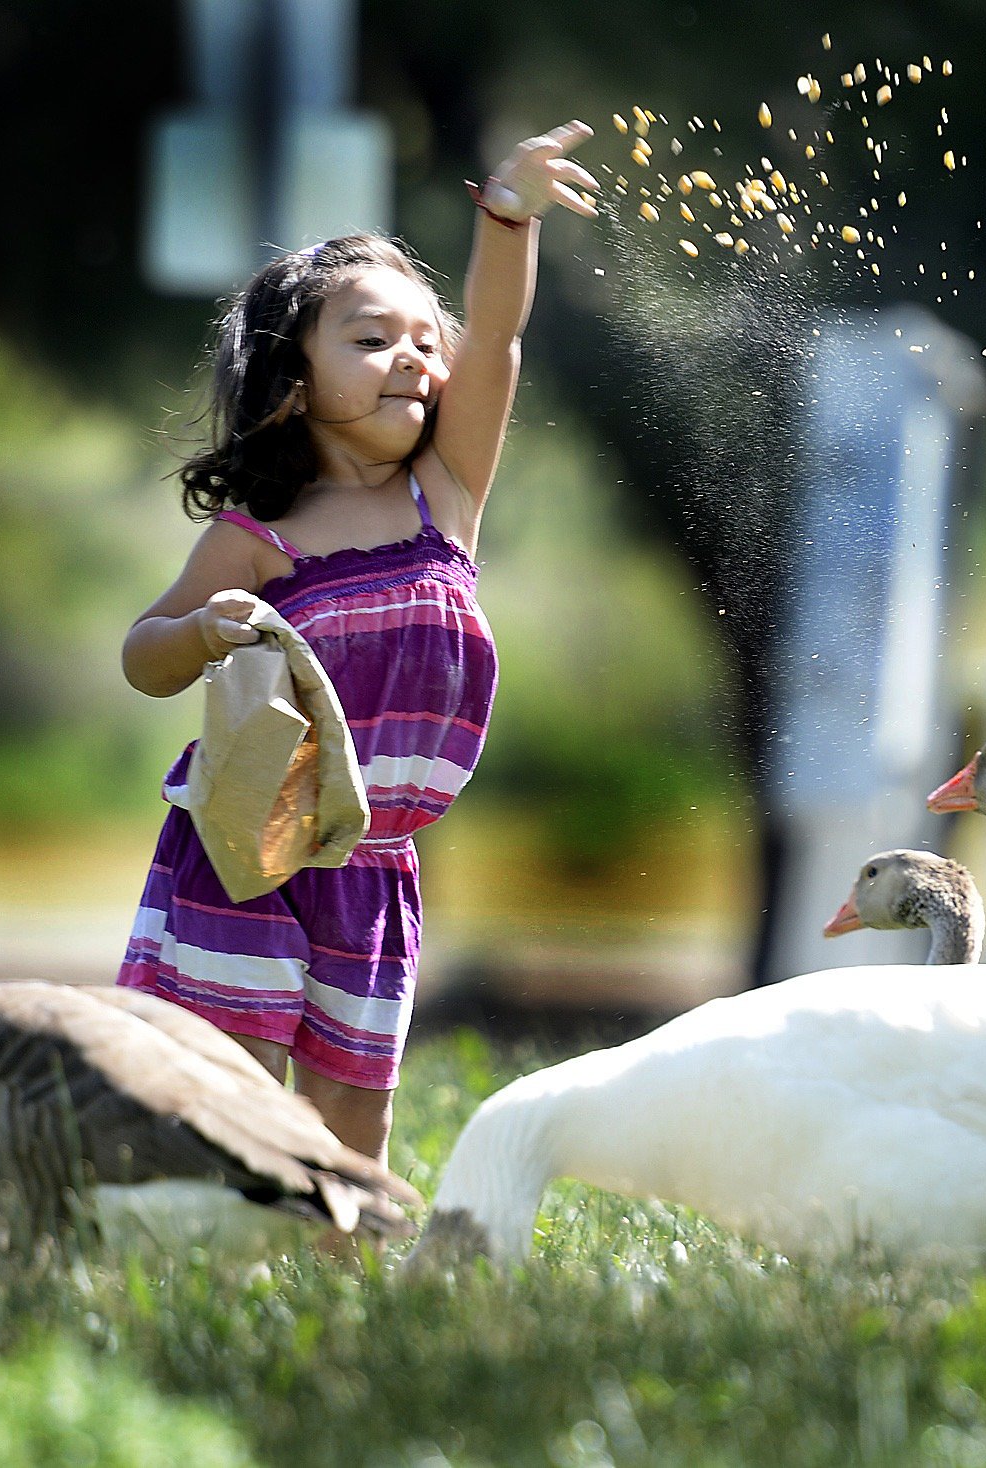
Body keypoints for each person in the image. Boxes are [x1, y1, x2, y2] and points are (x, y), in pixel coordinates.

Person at [116, 122, 598, 1162]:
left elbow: (497, 339)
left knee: (352, 1118)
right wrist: (202, 631)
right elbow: (142, 655)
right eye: (371, 339)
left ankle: (336, 1292)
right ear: (292, 382)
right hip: (253, 843)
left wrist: (507, 217)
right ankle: (214, 1275)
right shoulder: (259, 539)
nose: (414, 360)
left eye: (425, 340)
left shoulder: (444, 492)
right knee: (233, 1097)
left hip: (373, 866)